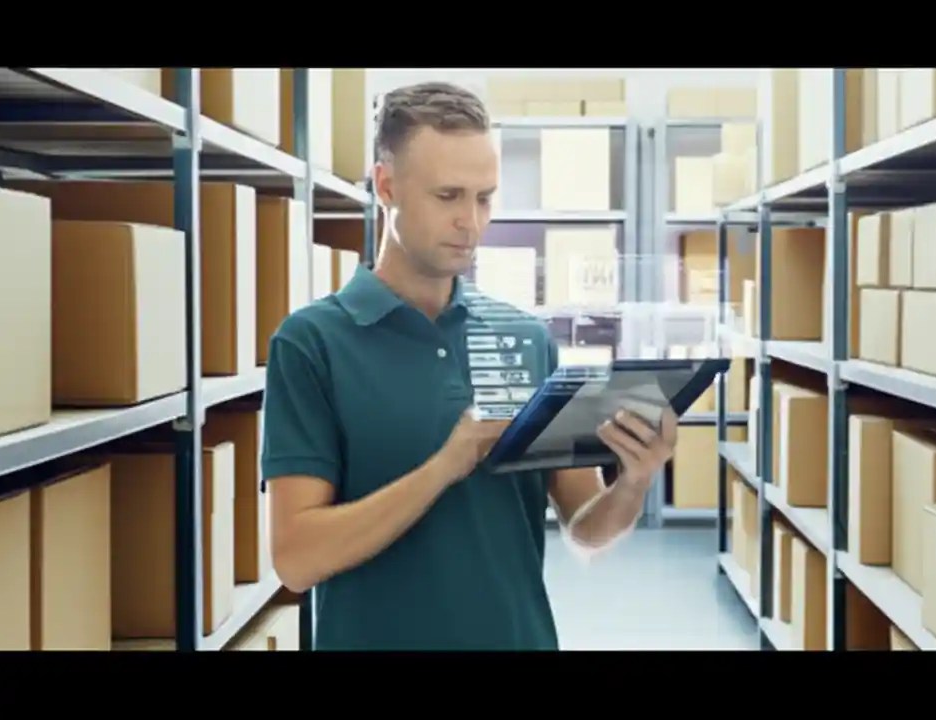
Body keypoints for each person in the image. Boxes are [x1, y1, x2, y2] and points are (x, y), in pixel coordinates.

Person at [259, 81, 677, 651]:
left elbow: (583, 527)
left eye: (484, 197)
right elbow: (296, 560)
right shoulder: (312, 344)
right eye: (448, 195)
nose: (471, 221)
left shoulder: (527, 339)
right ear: (386, 186)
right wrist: (444, 466)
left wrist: (634, 481)